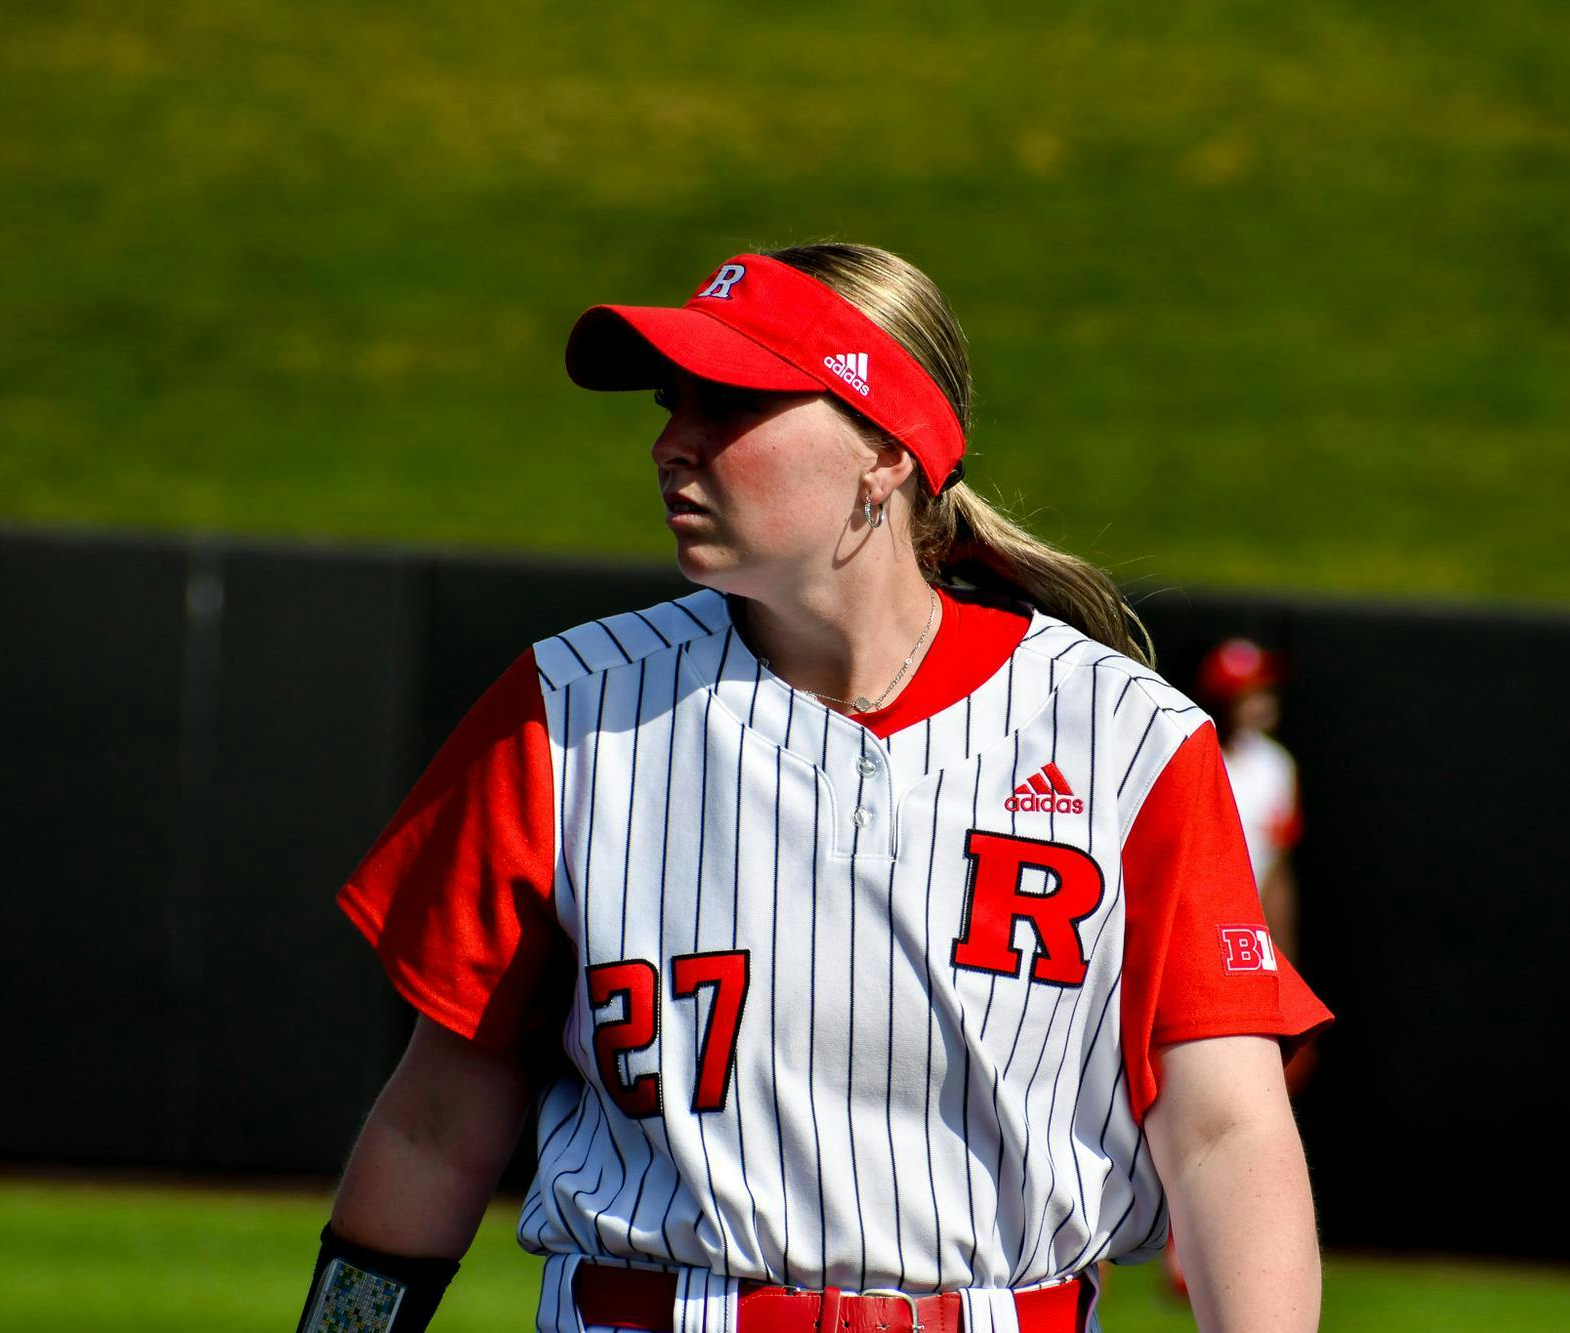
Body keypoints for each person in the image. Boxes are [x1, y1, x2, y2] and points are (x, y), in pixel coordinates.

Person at [293, 244, 1332, 1333]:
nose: (669, 443)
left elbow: (1223, 1131)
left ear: (884, 450)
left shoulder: (1126, 737)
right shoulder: (567, 708)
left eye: (729, 403)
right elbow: (435, 1123)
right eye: (670, 402)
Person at [1196, 639, 1303, 964]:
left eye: (1266, 691)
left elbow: (1276, 867)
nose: (1263, 703)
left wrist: (1283, 960)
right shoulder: (1196, 756)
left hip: (1248, 933)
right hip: (1199, 926)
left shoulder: (1277, 764)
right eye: (1249, 694)